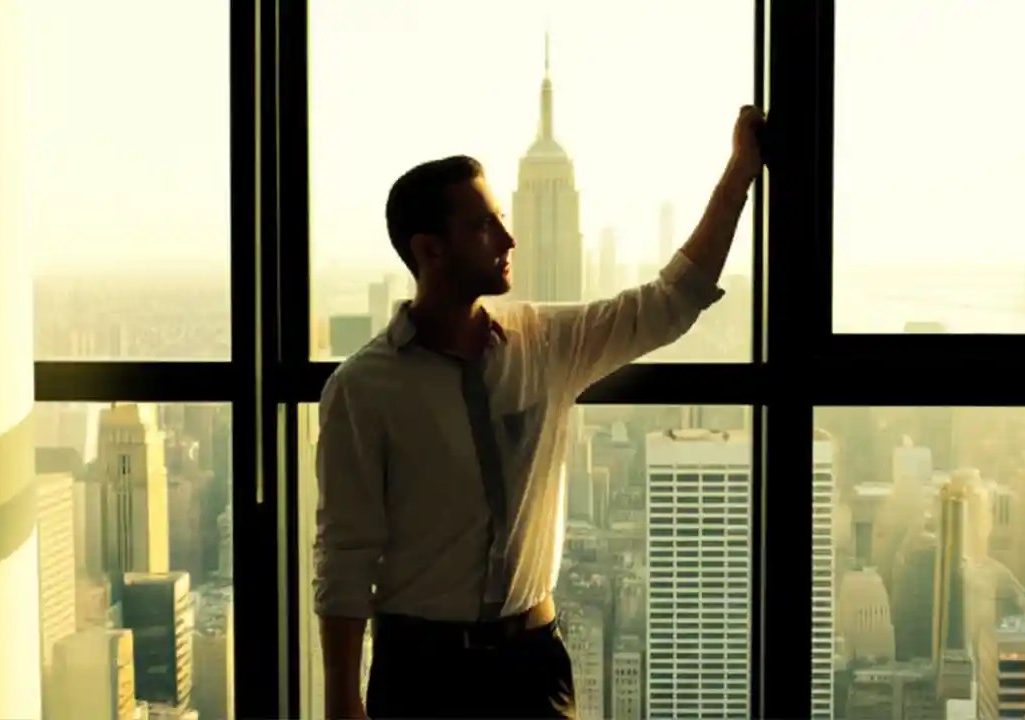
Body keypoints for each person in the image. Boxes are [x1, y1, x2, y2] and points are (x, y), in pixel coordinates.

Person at [315, 105, 765, 719]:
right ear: (431, 250)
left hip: (533, 662)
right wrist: (342, 698)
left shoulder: (545, 344)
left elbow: (672, 301)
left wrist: (741, 171)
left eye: (501, 219)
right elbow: (345, 554)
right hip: (424, 672)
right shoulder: (364, 389)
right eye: (483, 227)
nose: (508, 239)